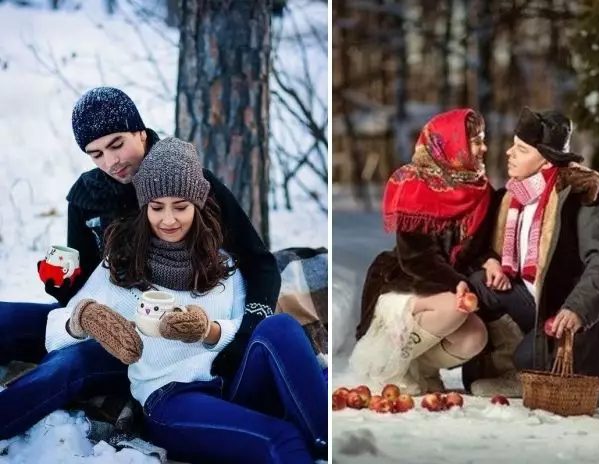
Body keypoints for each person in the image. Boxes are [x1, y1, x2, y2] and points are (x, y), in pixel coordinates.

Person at [2, 138, 327, 463]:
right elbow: (57, 329)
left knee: (281, 326)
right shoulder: (120, 265)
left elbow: (241, 323)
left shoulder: (223, 263)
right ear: (144, 208)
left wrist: (207, 330)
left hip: (231, 381)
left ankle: (328, 441)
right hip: (172, 396)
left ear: (198, 205)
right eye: (157, 207)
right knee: (282, 439)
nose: (168, 220)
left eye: (181, 206)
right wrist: (82, 319)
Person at [0, 87, 280, 390]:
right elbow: (82, 291)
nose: (110, 162)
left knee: (64, 367)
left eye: (116, 144)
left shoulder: (186, 181)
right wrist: (61, 283)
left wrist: (246, 332)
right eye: (96, 154)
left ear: (141, 132)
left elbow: (260, 263)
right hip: (100, 323)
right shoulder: (87, 196)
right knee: (7, 319)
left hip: (155, 341)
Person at [464, 107, 599, 409]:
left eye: (521, 149)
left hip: (586, 318)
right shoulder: (513, 197)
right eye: (513, 144)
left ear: (546, 159)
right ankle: (521, 372)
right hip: (539, 304)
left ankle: (596, 381)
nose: (509, 153)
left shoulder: (586, 197)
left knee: (529, 355)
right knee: (480, 283)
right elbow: (483, 248)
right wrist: (491, 261)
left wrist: (577, 309)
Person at [349, 109, 504, 394]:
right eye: (476, 141)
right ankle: (387, 365)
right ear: (452, 142)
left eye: (483, 140)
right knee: (453, 307)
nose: (484, 148)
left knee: (474, 336)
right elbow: (417, 258)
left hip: (449, 287)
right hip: (407, 281)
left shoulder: (481, 191)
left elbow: (476, 249)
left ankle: (423, 369)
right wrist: (455, 282)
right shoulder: (415, 187)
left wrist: (490, 260)